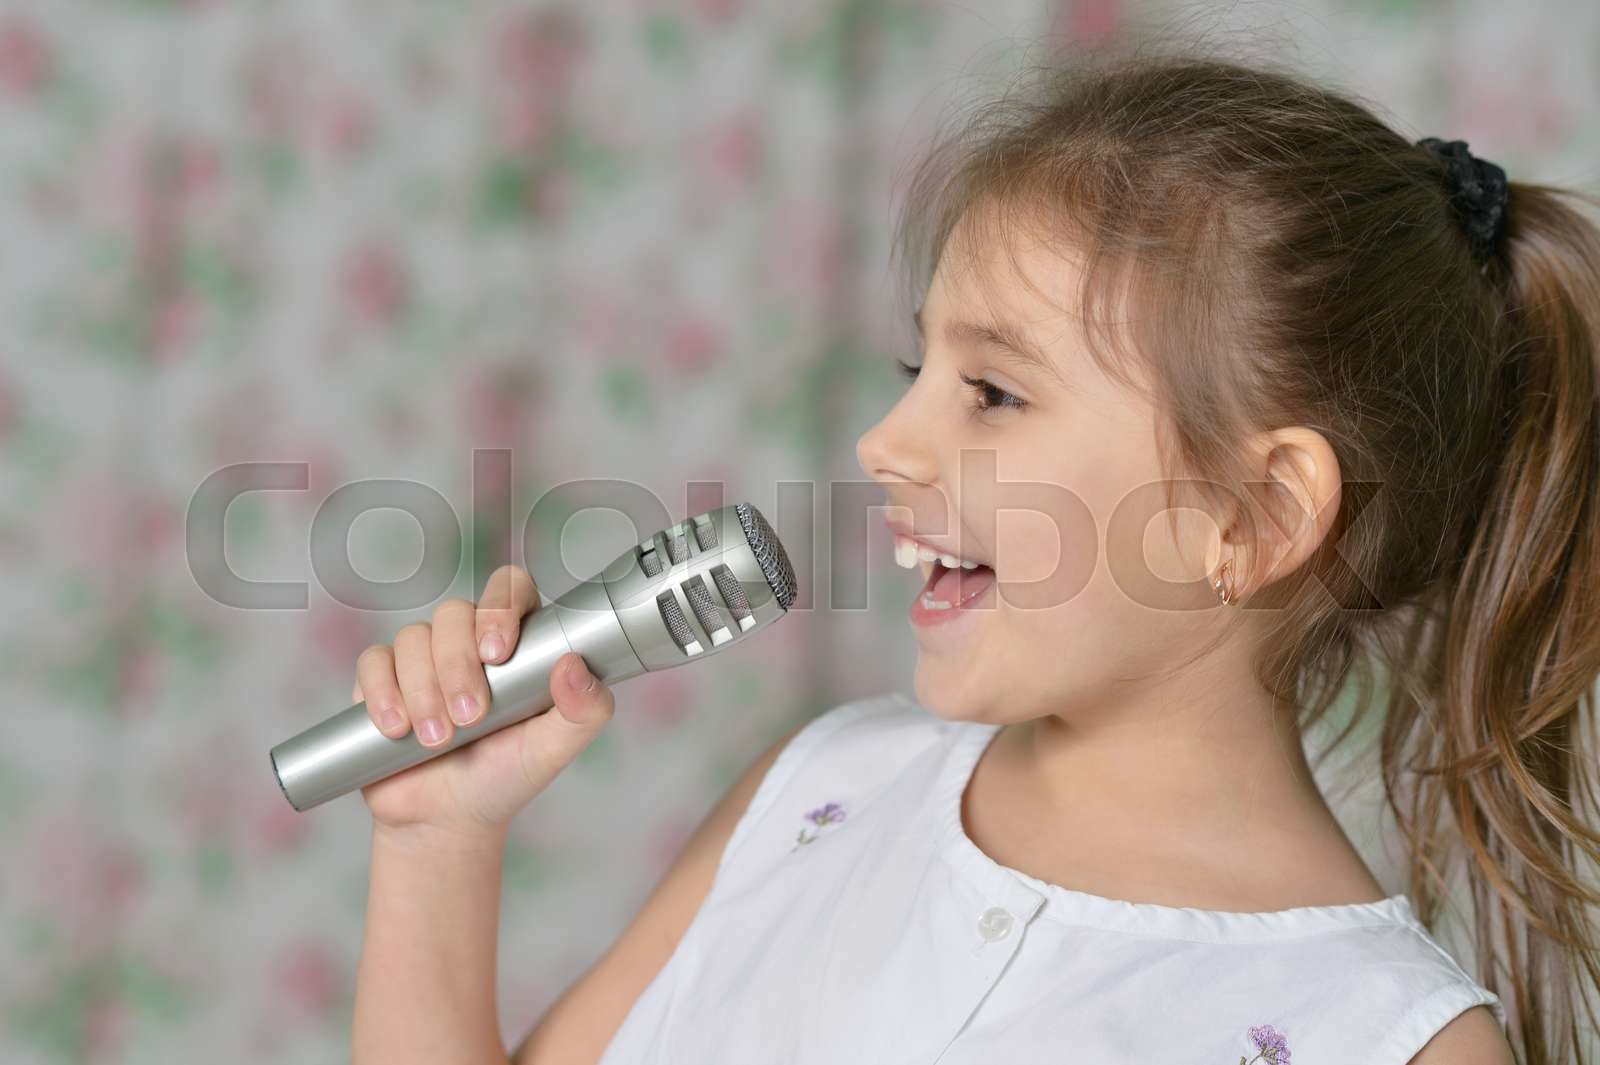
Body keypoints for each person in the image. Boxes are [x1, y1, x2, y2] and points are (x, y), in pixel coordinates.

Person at [351, 47, 1600, 1065]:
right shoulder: (821, 794)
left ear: (1258, 515)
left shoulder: (1381, 1040)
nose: (884, 441)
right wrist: (435, 844)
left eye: (992, 392)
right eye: (917, 371)